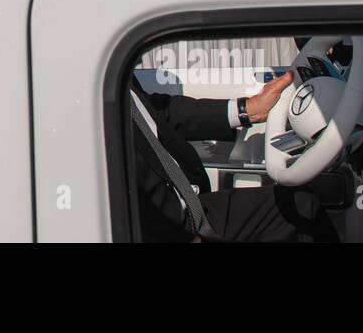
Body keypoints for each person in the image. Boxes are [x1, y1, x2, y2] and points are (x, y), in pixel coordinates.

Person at [127, 72, 338, 242]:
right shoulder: (99, 82)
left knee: (300, 203)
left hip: (191, 208)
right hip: (164, 227)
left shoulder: (113, 76)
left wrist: (248, 109)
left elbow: (158, 112)